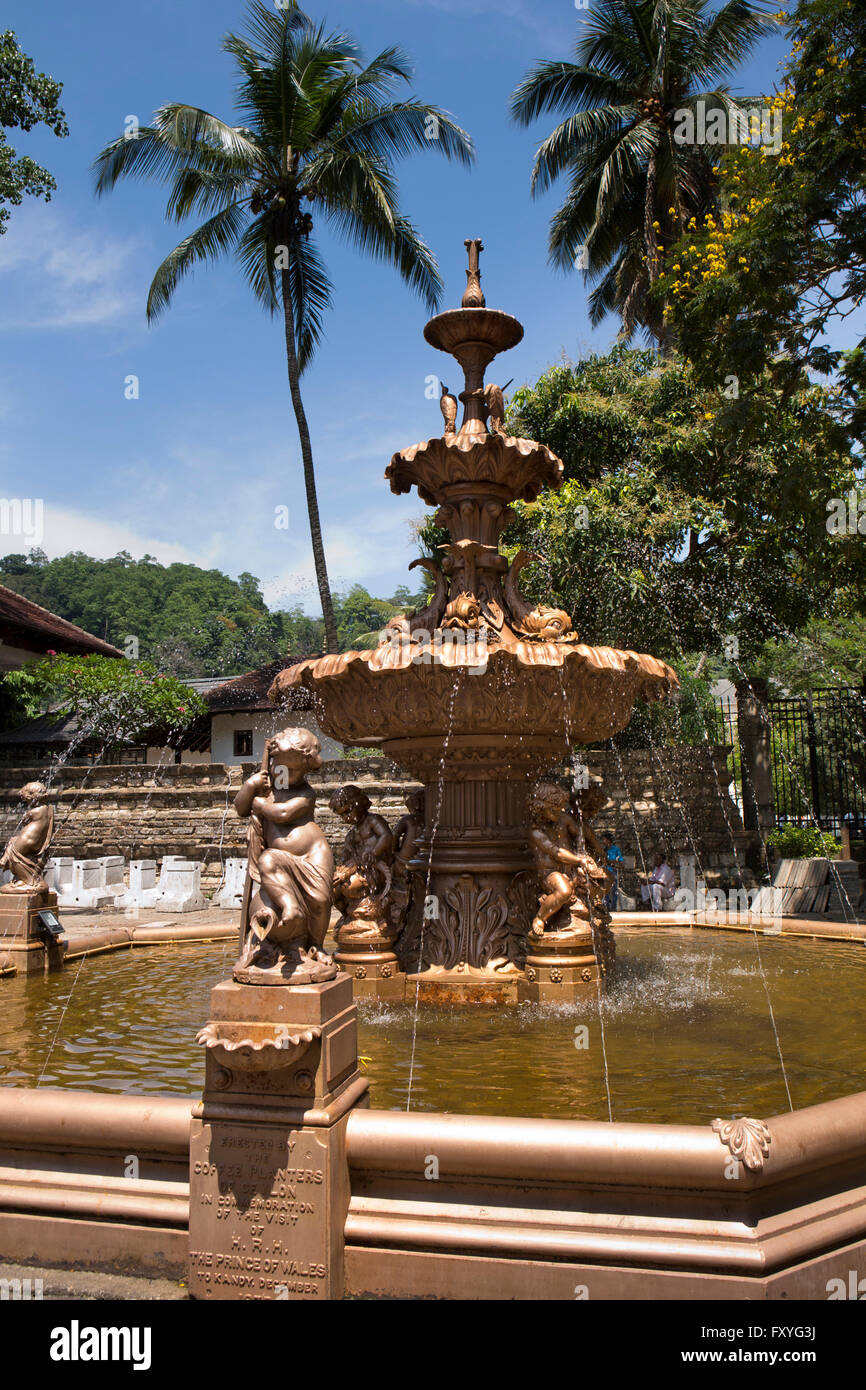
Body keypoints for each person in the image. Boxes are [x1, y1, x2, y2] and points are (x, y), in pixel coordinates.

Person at [602, 833, 624, 911]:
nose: (603, 841)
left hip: (613, 872)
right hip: (604, 872)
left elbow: (621, 861)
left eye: (604, 839)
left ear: (608, 841)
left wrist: (612, 862)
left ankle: (613, 907)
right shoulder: (603, 850)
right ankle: (606, 907)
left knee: (614, 891)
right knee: (605, 890)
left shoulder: (616, 849)